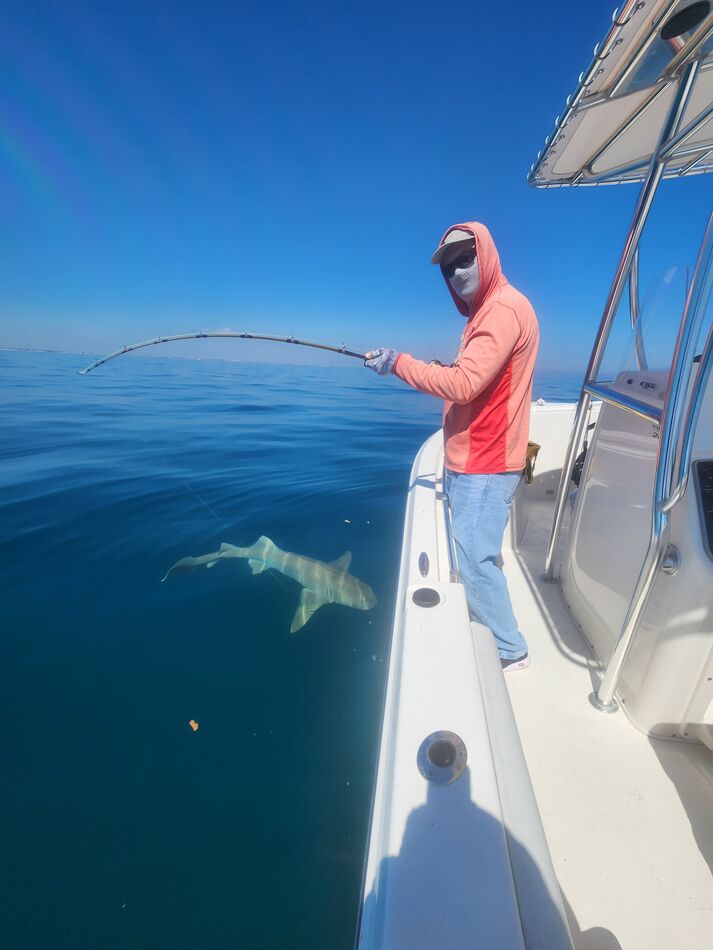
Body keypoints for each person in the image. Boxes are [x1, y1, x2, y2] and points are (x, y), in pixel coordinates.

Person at [365, 222, 538, 672]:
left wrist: (399, 363)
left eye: (466, 258)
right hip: (478, 457)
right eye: (449, 267)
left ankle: (508, 649)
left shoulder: (500, 311)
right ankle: (492, 627)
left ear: (486, 254)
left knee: (473, 558)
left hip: (484, 462)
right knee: (476, 549)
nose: (458, 272)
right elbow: (480, 379)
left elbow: (463, 385)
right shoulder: (487, 313)